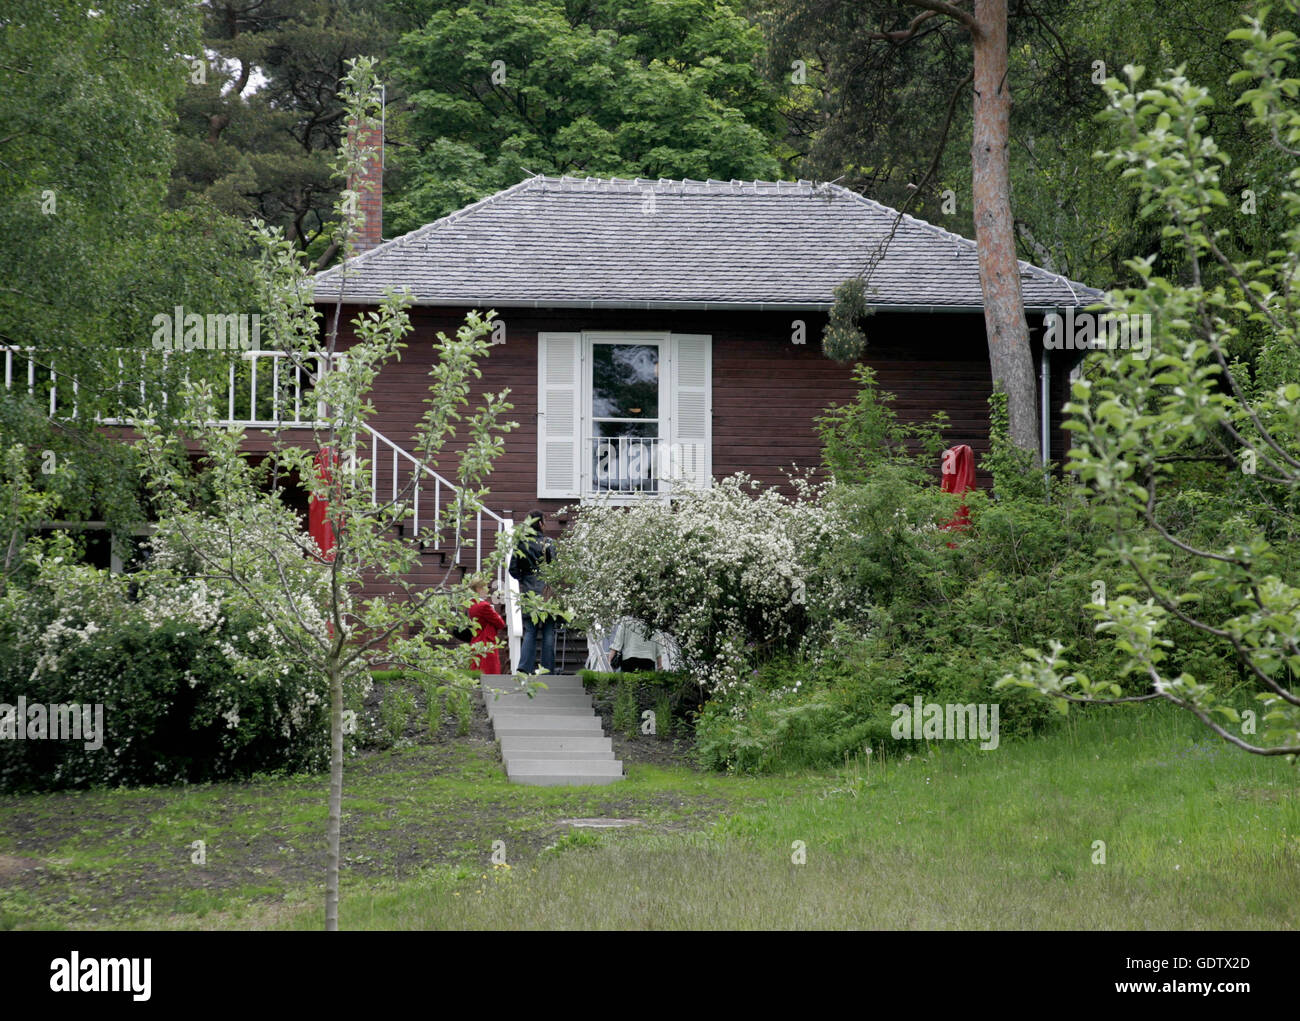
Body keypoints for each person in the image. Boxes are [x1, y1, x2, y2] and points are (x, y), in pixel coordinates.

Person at [510, 509, 556, 674]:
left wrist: (525, 579)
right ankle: (547, 669)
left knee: (530, 630)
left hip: (529, 591)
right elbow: (555, 569)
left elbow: (513, 570)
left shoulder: (521, 543)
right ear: (541, 523)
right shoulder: (548, 542)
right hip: (547, 593)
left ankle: (524, 668)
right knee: (549, 632)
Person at [467, 577, 507, 675]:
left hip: (476, 641)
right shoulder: (484, 606)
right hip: (487, 642)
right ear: (479, 589)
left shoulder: (471, 604)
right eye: (485, 587)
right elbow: (501, 623)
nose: (487, 590)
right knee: (490, 673)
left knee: (477, 672)